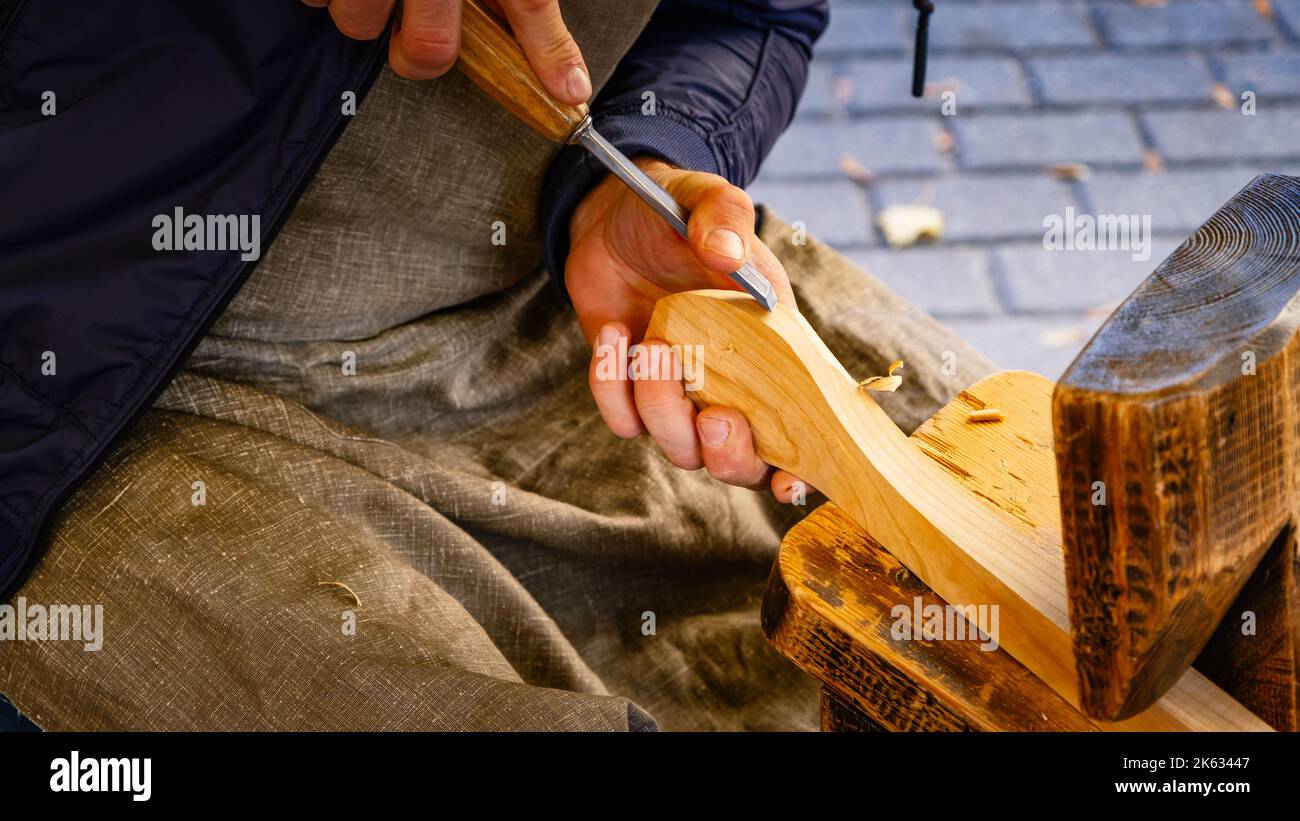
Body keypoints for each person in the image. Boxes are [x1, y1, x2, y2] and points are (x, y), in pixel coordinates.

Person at [0, 0, 989, 730]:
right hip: (82, 382)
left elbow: (749, 11)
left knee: (991, 513)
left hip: (551, 266)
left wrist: (653, 153)